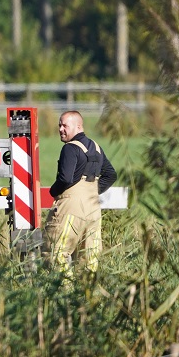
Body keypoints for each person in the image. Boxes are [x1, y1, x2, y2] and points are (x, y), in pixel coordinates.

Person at [45, 110, 117, 276]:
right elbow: (111, 174)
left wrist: (53, 191)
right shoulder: (97, 148)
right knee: (88, 259)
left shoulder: (70, 148)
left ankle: (65, 295)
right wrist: (91, 192)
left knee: (56, 253)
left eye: (65, 125)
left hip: (71, 208)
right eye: (59, 125)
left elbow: (66, 178)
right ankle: (87, 298)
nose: (61, 129)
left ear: (78, 126)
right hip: (93, 209)